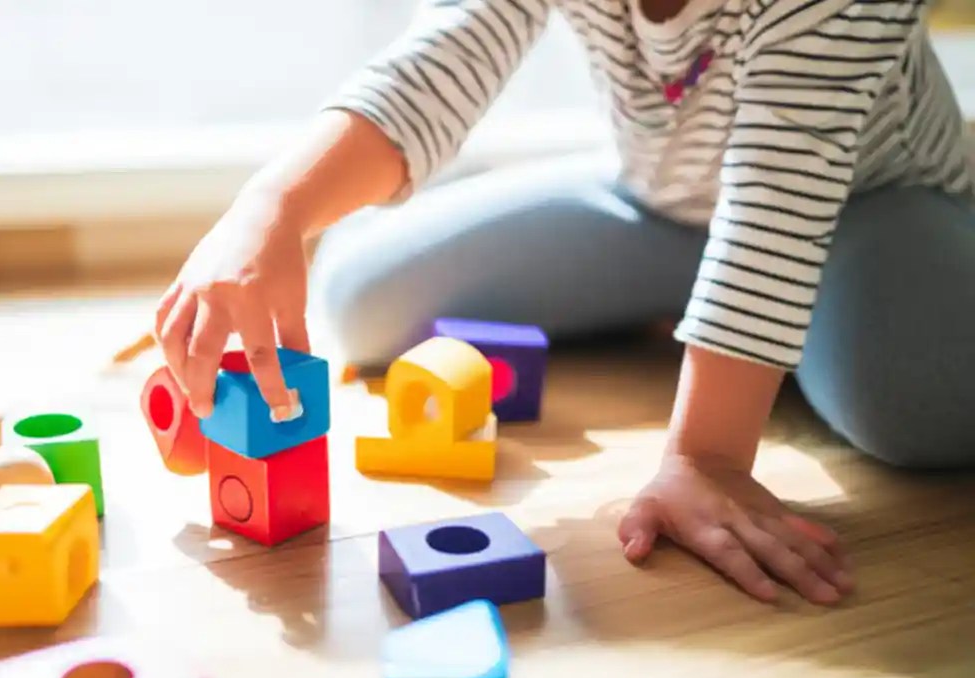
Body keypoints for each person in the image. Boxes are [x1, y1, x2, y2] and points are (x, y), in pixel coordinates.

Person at [152, 0, 975, 605]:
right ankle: (720, 325)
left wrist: (707, 456)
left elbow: (779, 198)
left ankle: (746, 335)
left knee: (915, 400)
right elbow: (438, 63)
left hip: (866, 210)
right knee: (357, 295)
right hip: (662, 205)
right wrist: (273, 206)